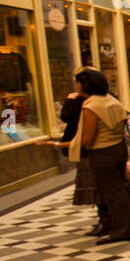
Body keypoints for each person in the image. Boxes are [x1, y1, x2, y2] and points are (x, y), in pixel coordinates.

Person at [76, 68, 130, 244]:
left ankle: (121, 231)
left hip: (102, 152)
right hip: (118, 148)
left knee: (113, 191)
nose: (76, 86)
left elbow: (88, 138)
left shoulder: (91, 105)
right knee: (122, 189)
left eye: (78, 82)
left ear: (85, 84)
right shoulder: (112, 101)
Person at [39, 86, 109, 236]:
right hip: (94, 150)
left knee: (95, 186)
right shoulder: (101, 100)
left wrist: (71, 100)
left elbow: (67, 116)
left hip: (90, 150)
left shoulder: (88, 104)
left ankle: (106, 220)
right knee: (97, 186)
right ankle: (106, 219)